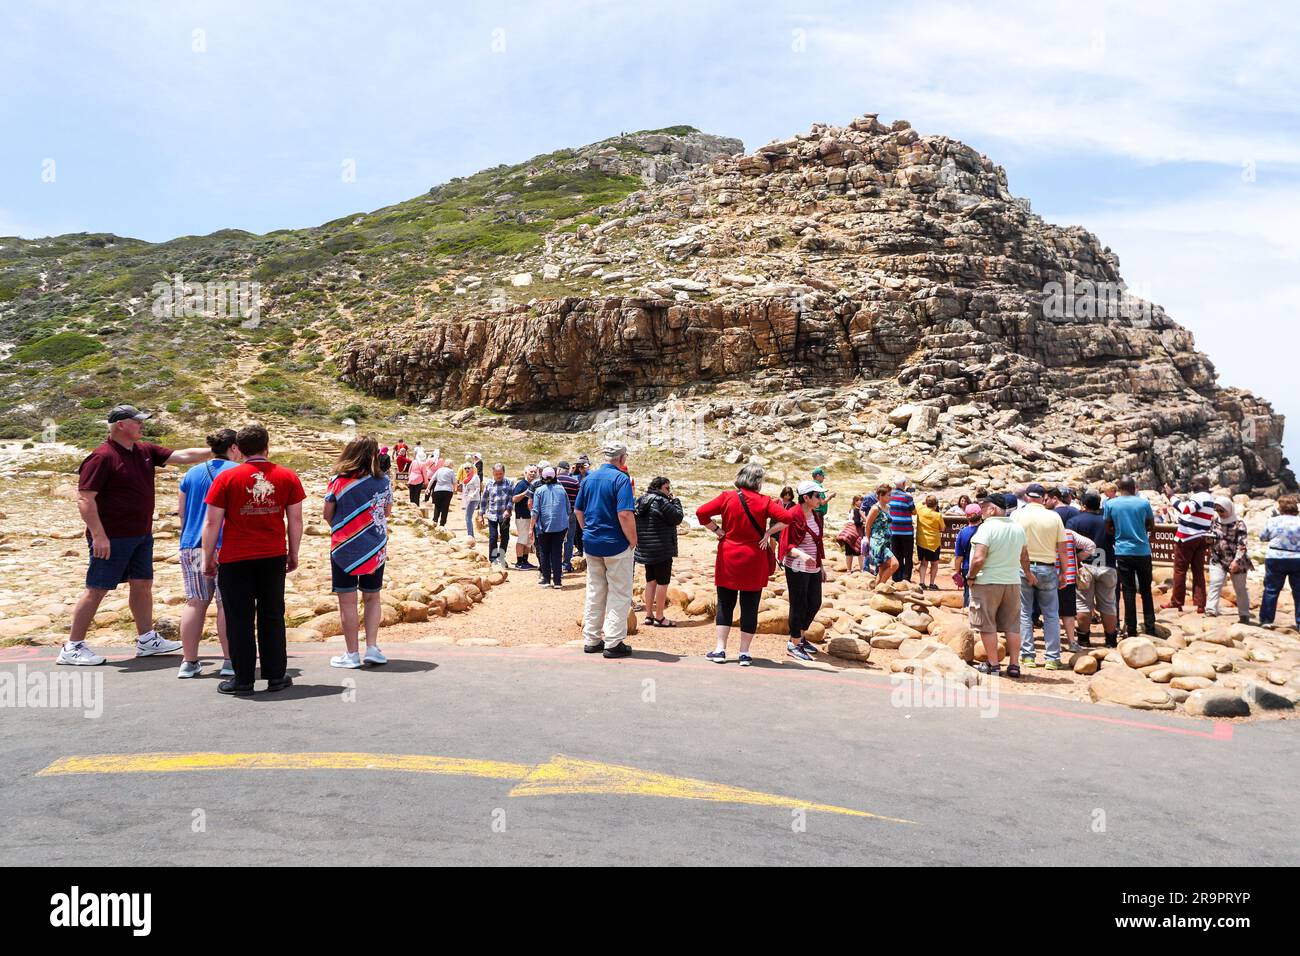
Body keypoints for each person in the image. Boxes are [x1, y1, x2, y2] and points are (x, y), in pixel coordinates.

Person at [59, 404, 212, 666]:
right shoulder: (102, 457)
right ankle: (72, 646)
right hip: (111, 537)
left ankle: (146, 640)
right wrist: (98, 535)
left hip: (140, 534)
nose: (142, 424)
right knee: (97, 588)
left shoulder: (144, 450)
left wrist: (220, 449)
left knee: (142, 585)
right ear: (121, 425)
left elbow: (183, 455)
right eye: (137, 421)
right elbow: (85, 499)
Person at [200, 424, 305, 695]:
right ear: (267, 447)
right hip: (272, 554)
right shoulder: (287, 476)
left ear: (239, 449)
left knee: (239, 618)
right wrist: (293, 552)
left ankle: (243, 678)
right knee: (272, 615)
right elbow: (295, 519)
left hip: (236, 556)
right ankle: (276, 676)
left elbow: (212, 522)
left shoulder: (226, 479)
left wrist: (207, 557)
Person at [696, 463, 798, 666]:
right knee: (750, 605)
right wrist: (768, 533)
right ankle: (744, 652)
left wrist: (718, 530)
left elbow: (701, 513)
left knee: (725, 602)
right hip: (754, 555)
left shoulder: (727, 497)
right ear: (758, 482)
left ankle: (720, 649)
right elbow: (787, 518)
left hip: (729, 554)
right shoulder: (764, 501)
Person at [175, 428, 244, 679]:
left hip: (192, 542)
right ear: (234, 448)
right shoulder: (236, 473)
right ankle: (229, 660)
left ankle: (189, 661)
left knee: (195, 601)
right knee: (227, 604)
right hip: (226, 545)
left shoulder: (191, 473)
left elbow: (182, 512)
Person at [324, 436, 392, 668]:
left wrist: (345, 525)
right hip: (374, 546)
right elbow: (387, 511)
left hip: (345, 547)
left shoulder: (338, 481)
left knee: (348, 602)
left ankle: (351, 653)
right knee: (372, 597)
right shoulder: (382, 481)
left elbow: (327, 513)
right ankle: (372, 647)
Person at [574, 442, 638, 657]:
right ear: (621, 459)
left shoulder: (589, 478)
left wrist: (587, 532)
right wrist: (633, 540)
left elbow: (579, 510)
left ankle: (591, 638)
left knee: (595, 590)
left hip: (592, 543)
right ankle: (613, 641)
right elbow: (625, 514)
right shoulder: (621, 479)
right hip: (616, 544)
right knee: (619, 592)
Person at [966, 493, 1029, 677]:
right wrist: (1028, 574)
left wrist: (970, 576)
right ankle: (1015, 665)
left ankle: (993, 665)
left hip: (987, 581)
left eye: (984, 507)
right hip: (1012, 581)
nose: (981, 510)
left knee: (987, 624)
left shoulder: (986, 528)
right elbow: (1024, 556)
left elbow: (978, 558)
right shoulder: (1018, 528)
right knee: (1012, 625)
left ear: (993, 509)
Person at [1012, 482, 1069, 669]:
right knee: (1051, 614)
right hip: (1048, 567)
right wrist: (1064, 573)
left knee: (1024, 613)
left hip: (1022, 567)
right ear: (1043, 497)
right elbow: (1062, 549)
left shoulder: (1017, 515)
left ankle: (1027, 655)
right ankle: (1052, 657)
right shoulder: (1054, 517)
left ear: (1027, 497)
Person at [774, 481, 827, 662]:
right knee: (798, 604)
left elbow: (817, 542)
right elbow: (785, 544)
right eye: (818, 496)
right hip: (797, 566)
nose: (821, 499)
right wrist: (801, 555)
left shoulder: (816, 515)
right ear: (806, 498)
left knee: (815, 602)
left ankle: (801, 637)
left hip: (813, 567)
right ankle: (794, 643)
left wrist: (822, 567)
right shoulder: (792, 515)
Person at [1105, 476, 1157, 638]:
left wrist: (1119, 534)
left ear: (1119, 488)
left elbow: (1108, 526)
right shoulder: (1143, 503)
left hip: (1122, 551)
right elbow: (1151, 525)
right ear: (1134, 487)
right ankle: (1150, 627)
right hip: (1142, 550)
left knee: (1128, 591)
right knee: (1146, 590)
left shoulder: (1111, 504)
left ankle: (1131, 629)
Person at [1068, 492, 1119, 647]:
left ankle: (1084, 639)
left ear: (1083, 504)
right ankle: (1111, 640)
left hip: (1084, 566)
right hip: (1107, 564)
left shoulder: (1074, 521)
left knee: (1083, 603)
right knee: (1108, 603)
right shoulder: (1108, 521)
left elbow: (1069, 544)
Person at [634, 476, 683, 627]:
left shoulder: (642, 500)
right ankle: (660, 617)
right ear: (659, 488)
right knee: (663, 583)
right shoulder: (661, 501)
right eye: (667, 488)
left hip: (646, 548)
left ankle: (649, 615)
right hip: (662, 548)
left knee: (650, 581)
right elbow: (677, 517)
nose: (669, 491)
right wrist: (676, 502)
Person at [1163, 474, 1216, 613]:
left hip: (1187, 537)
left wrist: (1171, 496)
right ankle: (1200, 604)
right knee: (1198, 571)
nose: (1191, 485)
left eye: (1193, 483)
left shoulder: (1199, 496)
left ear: (1202, 485)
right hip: (1201, 537)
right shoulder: (1210, 498)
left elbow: (1185, 509)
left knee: (1180, 570)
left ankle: (1176, 602)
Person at [1207, 496, 1252, 623]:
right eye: (1217, 510)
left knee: (1240, 588)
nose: (1219, 513)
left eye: (1222, 510)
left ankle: (1244, 615)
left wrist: (1236, 561)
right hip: (1218, 558)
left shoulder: (1239, 523)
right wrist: (1209, 540)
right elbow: (1212, 535)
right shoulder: (1215, 520)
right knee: (1215, 583)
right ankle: (1210, 610)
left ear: (1229, 509)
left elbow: (1242, 544)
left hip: (1237, 561)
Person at [1259, 495, 1300, 630]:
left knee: (1271, 589)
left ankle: (1266, 620)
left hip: (1275, 557)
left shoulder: (1273, 521)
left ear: (1280, 507)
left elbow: (1263, 537)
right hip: (1297, 558)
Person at [531, 467, 571, 588]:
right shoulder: (561, 490)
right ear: (554, 477)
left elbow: (535, 511)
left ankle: (546, 579)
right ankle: (558, 581)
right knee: (557, 552)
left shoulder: (539, 490)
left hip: (543, 526)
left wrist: (530, 528)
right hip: (560, 526)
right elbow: (568, 509)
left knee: (544, 552)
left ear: (542, 477)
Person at [860, 482, 900, 585]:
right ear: (881, 496)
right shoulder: (875, 509)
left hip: (886, 541)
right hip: (878, 542)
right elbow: (868, 525)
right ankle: (881, 587)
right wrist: (870, 541)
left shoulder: (888, 507)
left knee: (883, 568)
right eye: (888, 495)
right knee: (895, 564)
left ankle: (877, 591)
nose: (890, 497)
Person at [480, 464, 514, 568]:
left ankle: (501, 557)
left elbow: (511, 498)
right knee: (493, 537)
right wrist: (481, 514)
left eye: (500, 474)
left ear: (504, 473)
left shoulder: (509, 483)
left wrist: (508, 510)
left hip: (505, 516)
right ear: (493, 473)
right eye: (496, 474)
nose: (498, 476)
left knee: (505, 537)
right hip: (492, 515)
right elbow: (484, 499)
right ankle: (493, 558)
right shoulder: (489, 484)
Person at [951, 502, 983, 607]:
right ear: (980, 514)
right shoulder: (987, 529)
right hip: (985, 566)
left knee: (968, 592)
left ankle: (968, 614)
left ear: (966, 516)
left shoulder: (962, 532)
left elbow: (958, 556)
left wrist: (957, 572)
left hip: (967, 566)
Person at [887, 475, 915, 582]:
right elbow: (913, 511)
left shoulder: (890, 496)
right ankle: (906, 578)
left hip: (893, 530)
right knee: (907, 555)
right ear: (903, 484)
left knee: (896, 553)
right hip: (906, 531)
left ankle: (896, 577)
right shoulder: (907, 497)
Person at [915, 494, 944, 591]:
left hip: (922, 541)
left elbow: (919, 503)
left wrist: (925, 501)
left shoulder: (920, 510)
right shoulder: (937, 515)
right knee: (934, 564)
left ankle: (922, 582)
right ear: (936, 504)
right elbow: (942, 528)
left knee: (923, 563)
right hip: (933, 543)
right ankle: (932, 584)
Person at [556, 460, 582, 573]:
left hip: (556, 514)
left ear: (559, 469)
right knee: (569, 539)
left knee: (556, 539)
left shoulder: (554, 481)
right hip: (571, 513)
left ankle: (555, 564)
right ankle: (566, 564)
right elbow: (580, 499)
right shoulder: (575, 482)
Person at [511, 465, 538, 570]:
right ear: (525, 473)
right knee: (522, 538)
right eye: (531, 471)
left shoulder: (535, 484)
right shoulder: (521, 484)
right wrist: (525, 493)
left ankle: (525, 560)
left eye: (534, 472)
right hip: (522, 516)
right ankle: (519, 561)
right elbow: (514, 499)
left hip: (531, 516)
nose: (533, 473)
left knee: (528, 540)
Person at [459, 458, 481, 540]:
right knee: (468, 517)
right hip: (467, 499)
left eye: (468, 468)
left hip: (473, 499)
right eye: (465, 468)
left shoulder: (475, 477)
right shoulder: (466, 478)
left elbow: (478, 488)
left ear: (472, 468)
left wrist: (472, 495)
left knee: (468, 517)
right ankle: (470, 535)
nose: (467, 470)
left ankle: (470, 536)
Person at [429, 459, 455, 526]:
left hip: (437, 489)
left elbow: (432, 479)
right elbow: (454, 482)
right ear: (450, 465)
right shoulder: (451, 471)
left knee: (437, 505)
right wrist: (455, 489)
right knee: (445, 507)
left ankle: (435, 520)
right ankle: (442, 523)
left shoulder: (439, 470)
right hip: (448, 490)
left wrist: (428, 488)